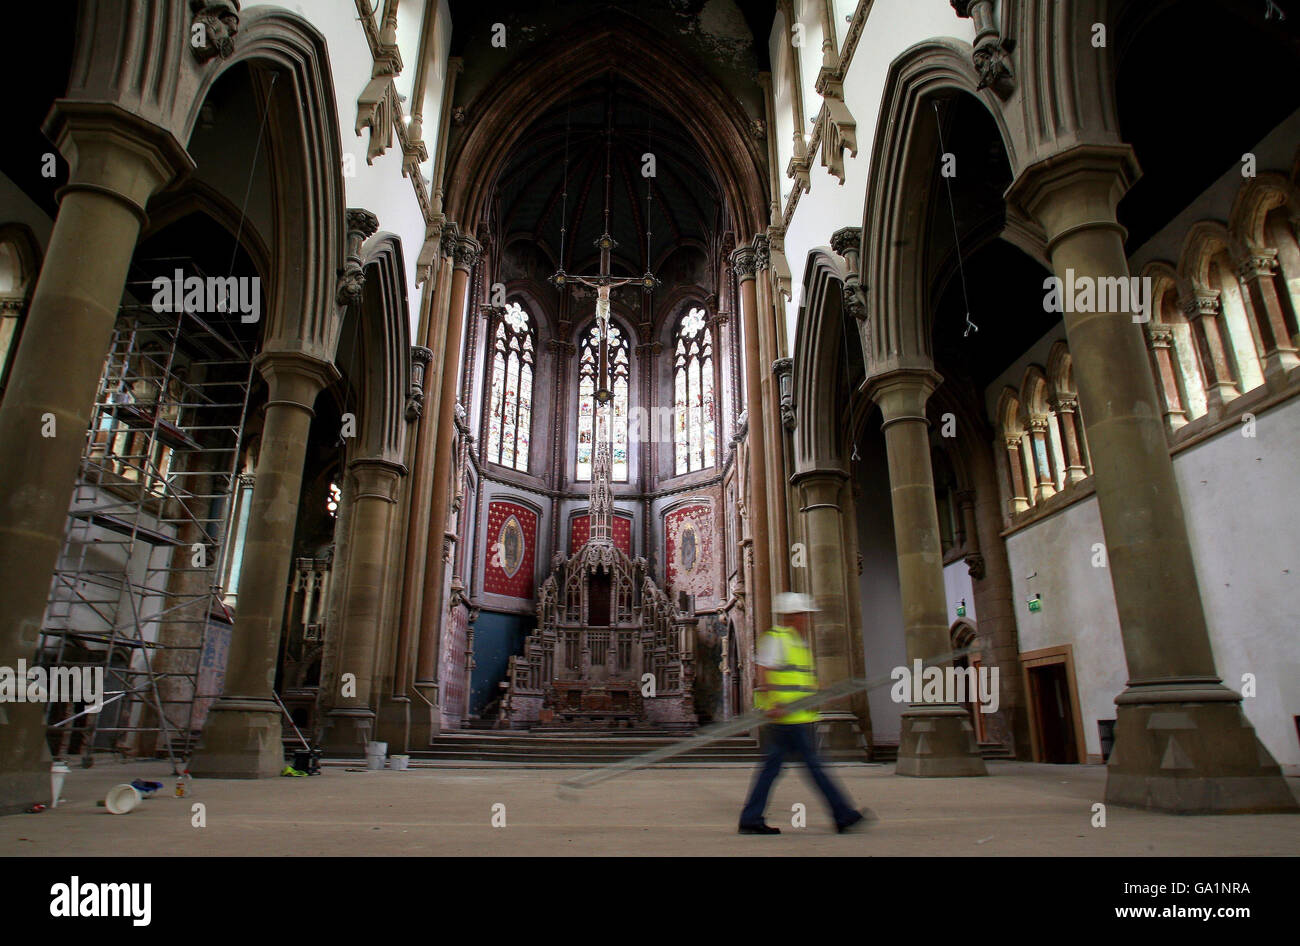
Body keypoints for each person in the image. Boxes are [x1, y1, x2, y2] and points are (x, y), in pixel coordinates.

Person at [738, 592, 873, 835]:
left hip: (799, 718)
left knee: (776, 769)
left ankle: (751, 817)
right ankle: (842, 814)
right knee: (814, 768)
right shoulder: (777, 639)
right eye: (802, 615)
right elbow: (764, 672)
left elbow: (803, 681)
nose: (806, 620)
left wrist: (826, 693)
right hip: (786, 720)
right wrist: (772, 704)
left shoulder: (799, 643)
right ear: (791, 616)